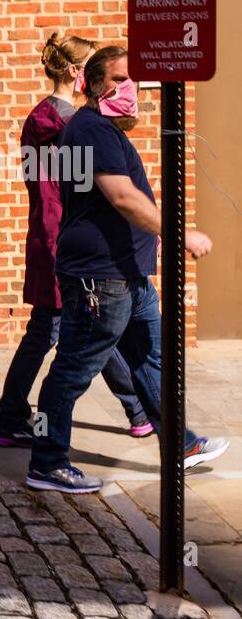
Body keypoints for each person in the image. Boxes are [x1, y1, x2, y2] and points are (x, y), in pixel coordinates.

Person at [27, 46, 229, 492]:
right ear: (94, 84)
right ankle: (46, 460)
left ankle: (180, 446)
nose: (129, 88)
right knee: (71, 371)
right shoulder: (92, 130)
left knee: (151, 363)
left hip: (127, 276)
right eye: (118, 79)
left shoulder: (96, 129)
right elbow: (122, 197)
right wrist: (182, 235)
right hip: (101, 277)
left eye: (132, 79)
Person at [0, 33, 153, 447]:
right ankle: (21, 424)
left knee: (76, 333)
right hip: (60, 242)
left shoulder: (48, 117)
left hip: (60, 239)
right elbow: (60, 193)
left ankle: (134, 410)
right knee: (66, 336)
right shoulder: (62, 123)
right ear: (78, 73)